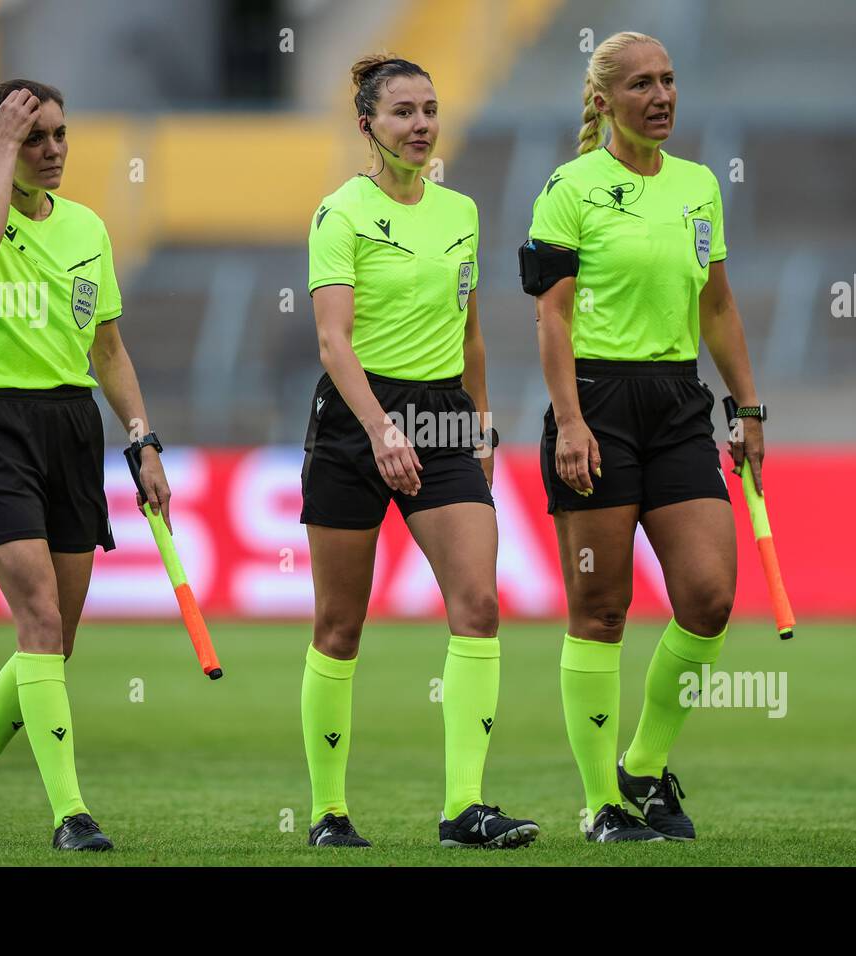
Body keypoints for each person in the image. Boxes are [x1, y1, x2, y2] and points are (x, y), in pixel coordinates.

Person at [522, 32, 766, 842]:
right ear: (602, 101)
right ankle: (601, 805)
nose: (660, 97)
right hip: (595, 398)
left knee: (709, 596)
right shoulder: (570, 187)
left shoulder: (699, 187)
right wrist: (569, 421)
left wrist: (749, 408)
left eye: (668, 82)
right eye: (639, 85)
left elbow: (719, 308)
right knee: (601, 608)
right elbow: (550, 314)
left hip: (677, 403)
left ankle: (643, 766)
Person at [300, 54, 537, 848]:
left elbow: (471, 335)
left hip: (441, 418)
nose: (421, 124)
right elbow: (334, 342)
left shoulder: (461, 211)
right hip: (354, 420)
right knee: (340, 626)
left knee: (479, 606)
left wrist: (482, 425)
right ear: (367, 123)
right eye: (402, 111)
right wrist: (378, 429)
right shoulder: (341, 213)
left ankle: (464, 807)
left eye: (429, 109)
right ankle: (330, 813)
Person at [0, 79, 171, 851]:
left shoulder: (89, 228)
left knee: (55, 639)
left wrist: (142, 438)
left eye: (60, 134)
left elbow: (107, 349)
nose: (55, 149)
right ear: (0, 142)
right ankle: (71, 815)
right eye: (36, 137)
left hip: (72, 427)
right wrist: (2, 147)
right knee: (35, 620)